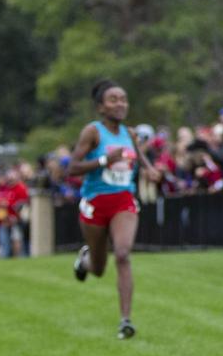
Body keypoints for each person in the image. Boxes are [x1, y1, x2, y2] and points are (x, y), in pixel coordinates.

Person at [68, 80, 162, 340]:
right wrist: (103, 160)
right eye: (113, 99)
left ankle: (125, 321)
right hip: (96, 202)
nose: (120, 104)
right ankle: (84, 261)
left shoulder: (129, 134)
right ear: (100, 107)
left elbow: (139, 159)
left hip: (123, 201)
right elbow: (72, 168)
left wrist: (150, 170)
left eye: (123, 99)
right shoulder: (93, 132)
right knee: (98, 268)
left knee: (122, 253)